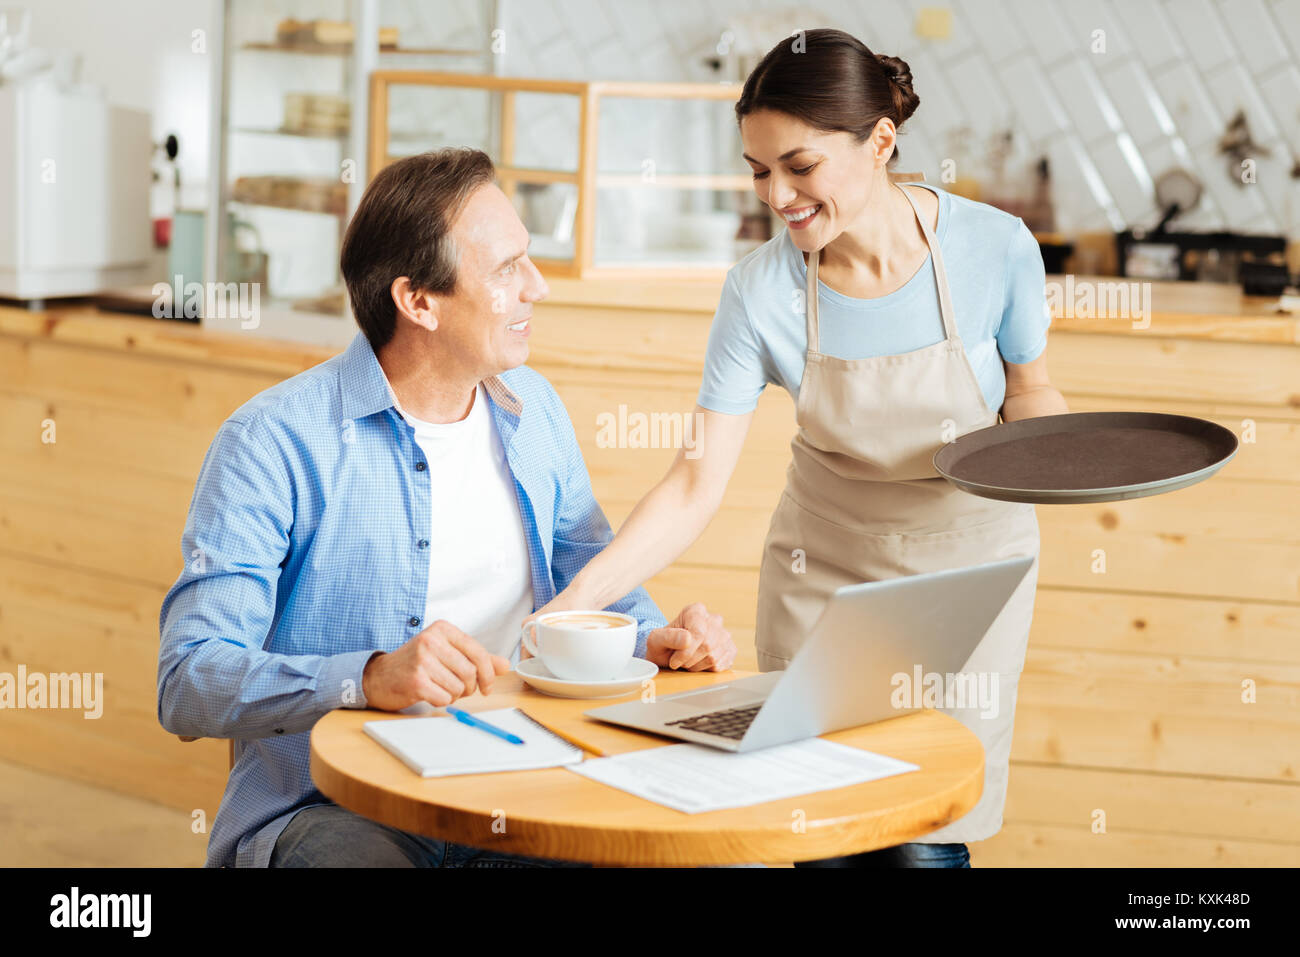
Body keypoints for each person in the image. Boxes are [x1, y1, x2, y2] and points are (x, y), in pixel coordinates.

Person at [536, 28, 1069, 868]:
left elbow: (1030, 390)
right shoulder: (761, 292)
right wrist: (572, 603)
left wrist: (1053, 451)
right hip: (821, 584)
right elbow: (694, 479)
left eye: (800, 166)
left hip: (966, 587)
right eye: (758, 171)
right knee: (814, 830)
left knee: (918, 844)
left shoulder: (996, 249)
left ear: (880, 142)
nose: (777, 195)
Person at [157, 147, 736, 868]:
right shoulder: (273, 440)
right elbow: (188, 680)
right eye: (506, 269)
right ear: (419, 301)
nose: (538, 287)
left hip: (528, 778)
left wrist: (656, 640)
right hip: (340, 803)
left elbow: (595, 581)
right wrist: (368, 676)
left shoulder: (536, 414)